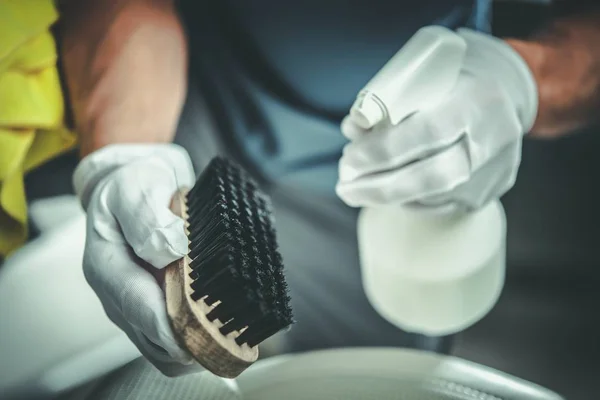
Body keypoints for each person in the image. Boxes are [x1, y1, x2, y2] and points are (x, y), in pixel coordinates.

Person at [54, 0, 600, 378]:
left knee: (369, 375)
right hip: (187, 98)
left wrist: (524, 78)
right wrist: (123, 152)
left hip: (405, 190)